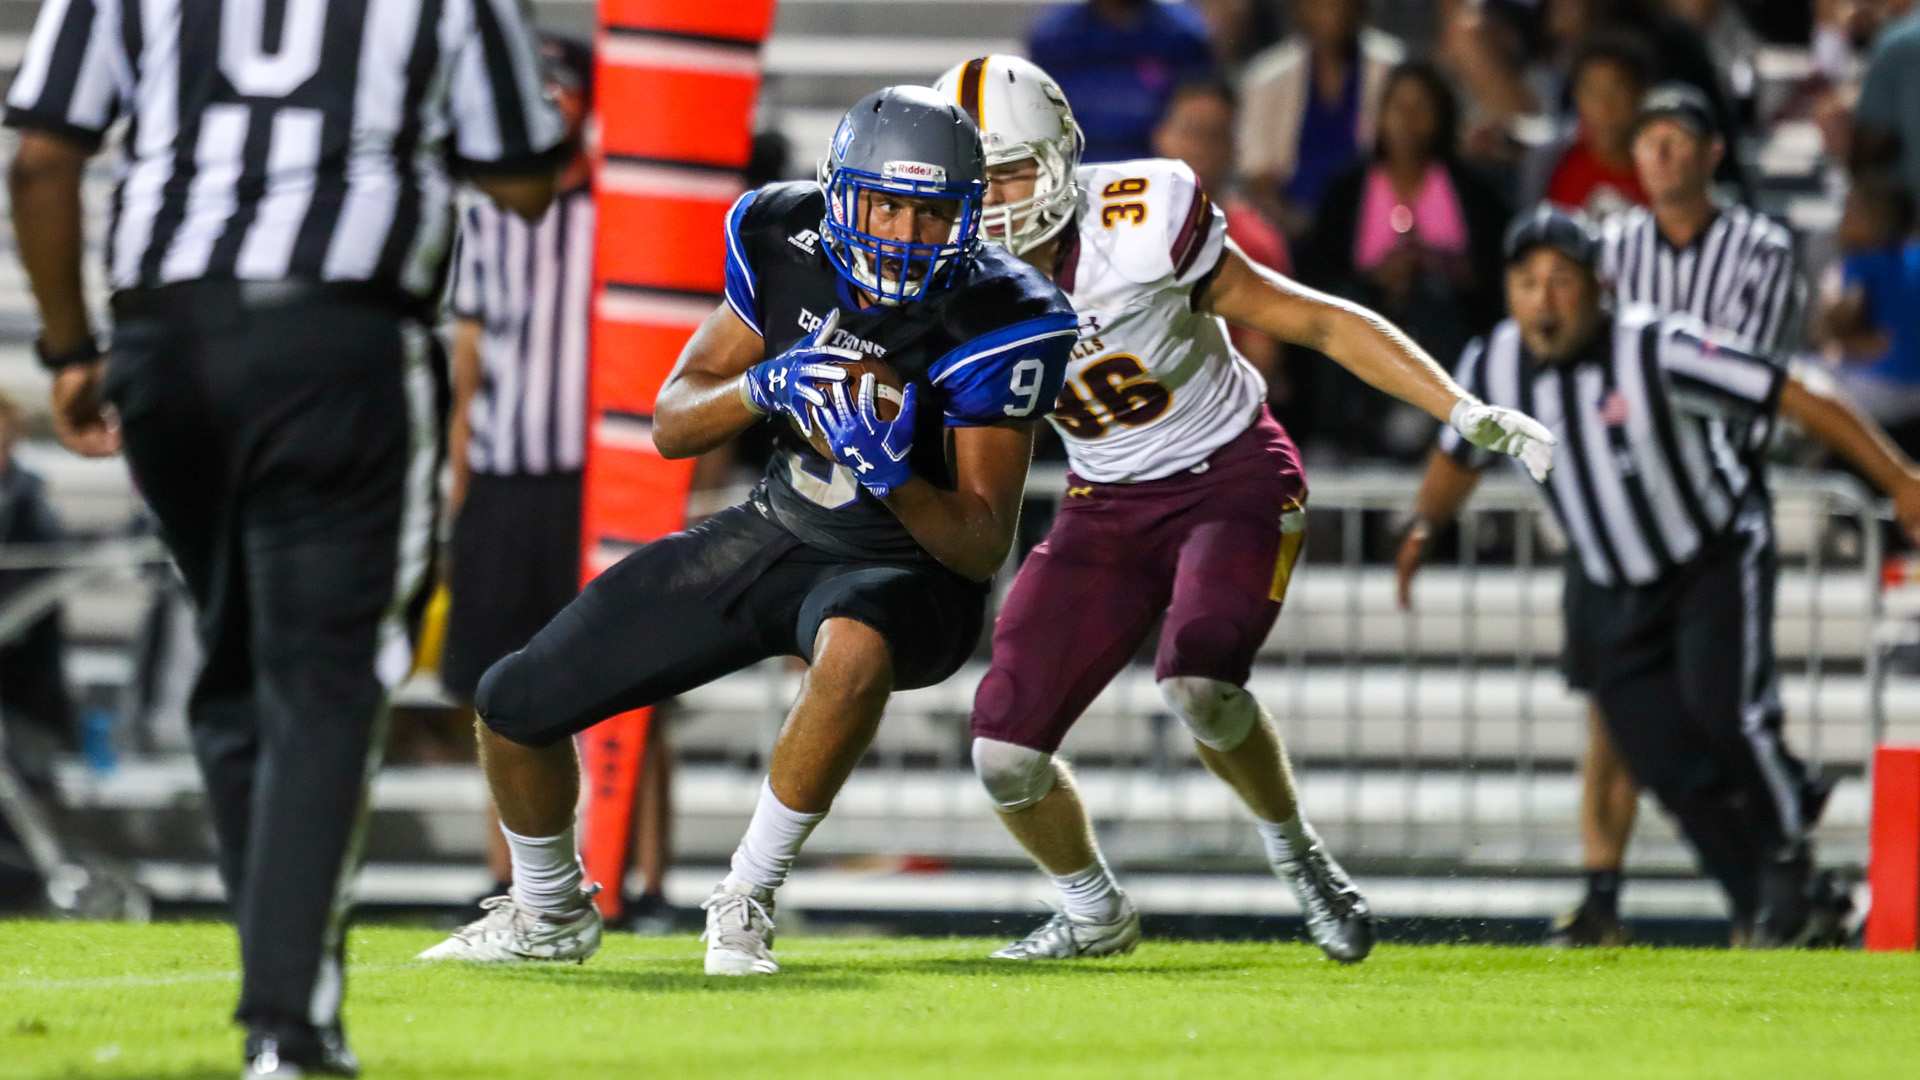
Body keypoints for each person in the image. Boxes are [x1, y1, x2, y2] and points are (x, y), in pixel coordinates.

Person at [4, 0, 563, 1072]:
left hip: (166, 342)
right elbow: (526, 178)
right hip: (340, 339)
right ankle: (289, 1029)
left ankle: (277, 993)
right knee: (323, 681)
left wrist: (71, 351)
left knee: (236, 667)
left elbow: (40, 162)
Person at [418, 87, 1079, 976]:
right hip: (779, 525)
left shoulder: (1008, 313)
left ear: (968, 215)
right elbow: (673, 421)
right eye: (884, 204)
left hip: (911, 569)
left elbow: (980, 543)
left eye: (930, 213)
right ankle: (547, 912)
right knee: (512, 702)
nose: (904, 233)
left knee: (851, 642)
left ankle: (747, 896)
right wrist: (765, 384)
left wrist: (892, 475)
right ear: (838, 193)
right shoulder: (779, 234)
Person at [931, 54, 1555, 963]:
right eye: (975, 181)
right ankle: (1093, 910)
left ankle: (1298, 855)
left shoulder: (1139, 224)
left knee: (1200, 681)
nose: (993, 204)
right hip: (1103, 500)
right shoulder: (942, 278)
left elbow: (1319, 319)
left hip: (1229, 471)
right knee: (1003, 755)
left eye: (1013, 173)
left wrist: (1457, 408)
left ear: (1061, 159)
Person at [1396, 207, 1920, 947]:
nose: (1544, 300)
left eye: (1562, 280)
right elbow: (1459, 454)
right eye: (1527, 282)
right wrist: (1425, 525)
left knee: (1723, 710)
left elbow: (1793, 393)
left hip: (1710, 554)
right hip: (1612, 579)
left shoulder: (1657, 345)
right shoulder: (1493, 365)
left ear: (1599, 286)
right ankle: (1777, 907)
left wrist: (1898, 478)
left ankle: (1787, 852)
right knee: (1662, 758)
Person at [1556, 82, 1808, 946]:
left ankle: (1778, 867)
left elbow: (1742, 380)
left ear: (1714, 153)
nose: (1660, 154)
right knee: (1614, 713)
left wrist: (1641, 383)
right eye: (1649, 139)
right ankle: (1604, 892)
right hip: (1616, 501)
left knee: (1718, 708)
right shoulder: (1610, 246)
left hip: (1712, 503)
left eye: (1678, 139)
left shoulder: (1759, 248)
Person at [1296, 61, 1513, 460]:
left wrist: (1442, 269)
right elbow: (1318, 279)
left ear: (1443, 117)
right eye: (1399, 107)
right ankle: (1341, 435)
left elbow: (1497, 280)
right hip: (1367, 326)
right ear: (1379, 115)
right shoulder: (1345, 190)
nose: (1409, 120)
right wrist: (1378, 279)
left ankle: (1458, 425)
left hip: (1450, 322)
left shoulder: (1476, 191)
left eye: (1422, 108)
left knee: (1432, 294)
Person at [1151, 78, 1292, 382]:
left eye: (1214, 136)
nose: (1200, 148)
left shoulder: (1256, 243)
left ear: (1233, 148)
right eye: (1190, 131)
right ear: (1161, 135)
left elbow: (1260, 360)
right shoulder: (1115, 225)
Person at [1238, 0, 1405, 234]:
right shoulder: (1266, 77)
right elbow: (1258, 173)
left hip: (1377, 222)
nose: (1330, 9)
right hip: (1290, 226)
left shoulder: (1394, 66)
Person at [1027, 0, 1216, 164]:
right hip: (1075, 170)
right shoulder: (1052, 37)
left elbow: (1202, 114)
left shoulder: (1183, 36)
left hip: (1156, 172)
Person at [1818, 173, 1920, 455]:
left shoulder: (1860, 264)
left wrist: (1828, 295)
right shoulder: (1916, 256)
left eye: (1852, 211)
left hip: (1883, 390)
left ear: (1876, 224)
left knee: (1802, 377)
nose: (1842, 219)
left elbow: (1836, 324)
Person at [1525, 34, 1654, 216]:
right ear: (1577, 96)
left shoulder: (1665, 168)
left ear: (1641, 95)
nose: (1604, 106)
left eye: (1617, 91)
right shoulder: (1549, 162)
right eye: (1592, 91)